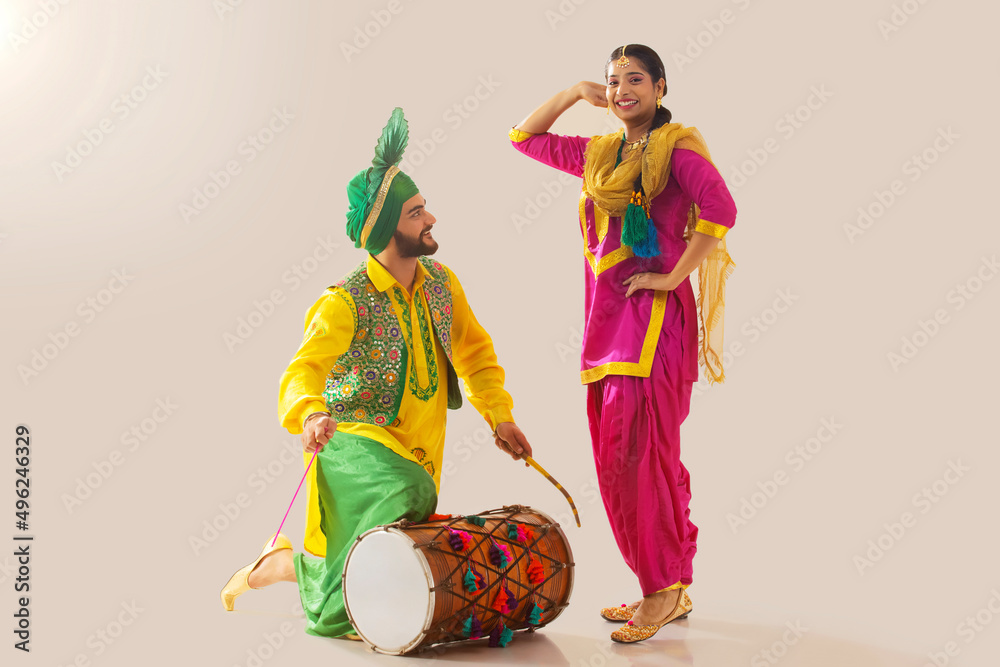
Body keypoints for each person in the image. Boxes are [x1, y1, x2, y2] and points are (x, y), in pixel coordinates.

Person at [220, 107, 533, 640]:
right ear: (388, 229)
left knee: (400, 535)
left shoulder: (442, 284)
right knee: (405, 497)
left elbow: (475, 355)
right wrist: (312, 412)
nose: (430, 219)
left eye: (424, 208)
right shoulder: (344, 302)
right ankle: (298, 579)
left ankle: (284, 567)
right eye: (416, 213)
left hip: (417, 444)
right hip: (351, 443)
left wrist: (499, 418)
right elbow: (303, 369)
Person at [508, 44, 737, 643]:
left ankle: (661, 591)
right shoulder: (603, 154)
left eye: (634, 79)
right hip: (606, 328)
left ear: (661, 87)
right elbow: (525, 139)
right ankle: (666, 581)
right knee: (621, 459)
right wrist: (573, 93)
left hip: (653, 328)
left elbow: (721, 209)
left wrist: (672, 274)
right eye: (613, 81)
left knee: (642, 458)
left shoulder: (677, 152)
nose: (621, 90)